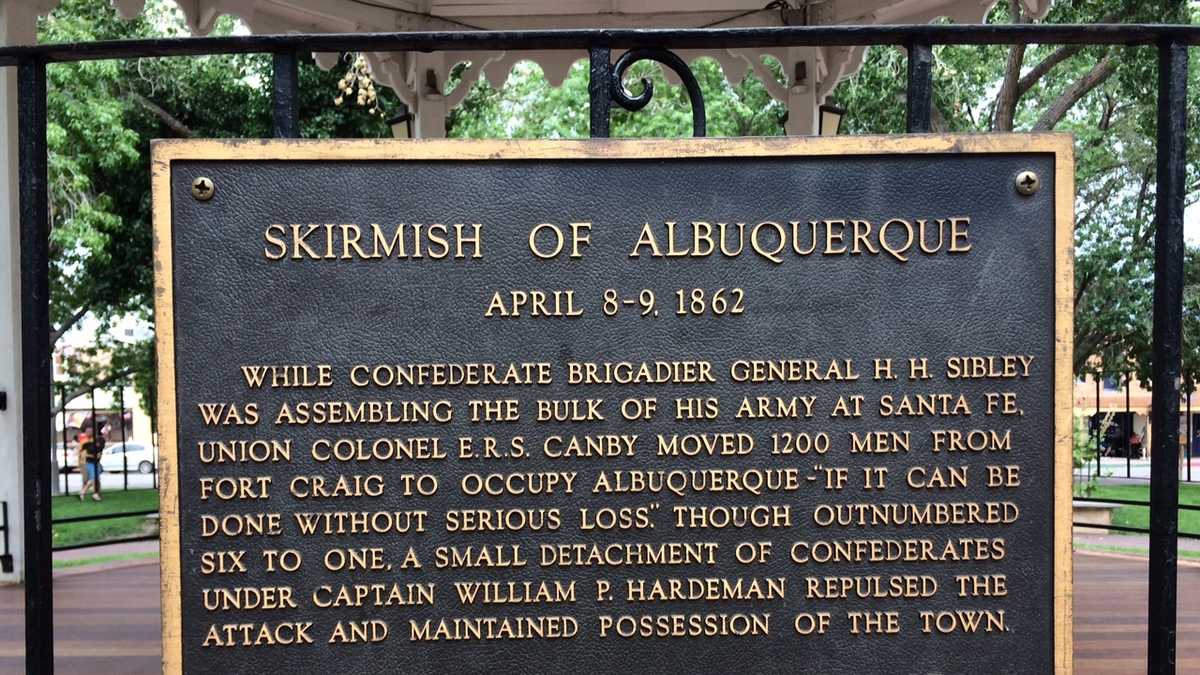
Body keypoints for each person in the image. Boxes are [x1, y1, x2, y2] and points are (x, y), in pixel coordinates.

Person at [77, 431, 103, 502]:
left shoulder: (99, 446)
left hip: (96, 464)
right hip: (90, 464)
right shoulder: (87, 445)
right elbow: (83, 454)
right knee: (93, 479)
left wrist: (90, 456)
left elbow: (98, 456)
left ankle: (84, 492)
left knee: (94, 479)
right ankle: (94, 494)